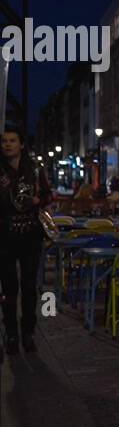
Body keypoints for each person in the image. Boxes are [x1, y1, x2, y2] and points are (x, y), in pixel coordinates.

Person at [0, 127, 53, 355]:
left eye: (12, 140)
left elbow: (49, 196)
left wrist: (37, 199)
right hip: (4, 234)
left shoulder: (34, 169)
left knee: (29, 287)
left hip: (31, 234)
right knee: (9, 288)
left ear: (21, 144)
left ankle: (28, 333)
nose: (7, 145)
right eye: (4, 141)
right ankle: (11, 334)